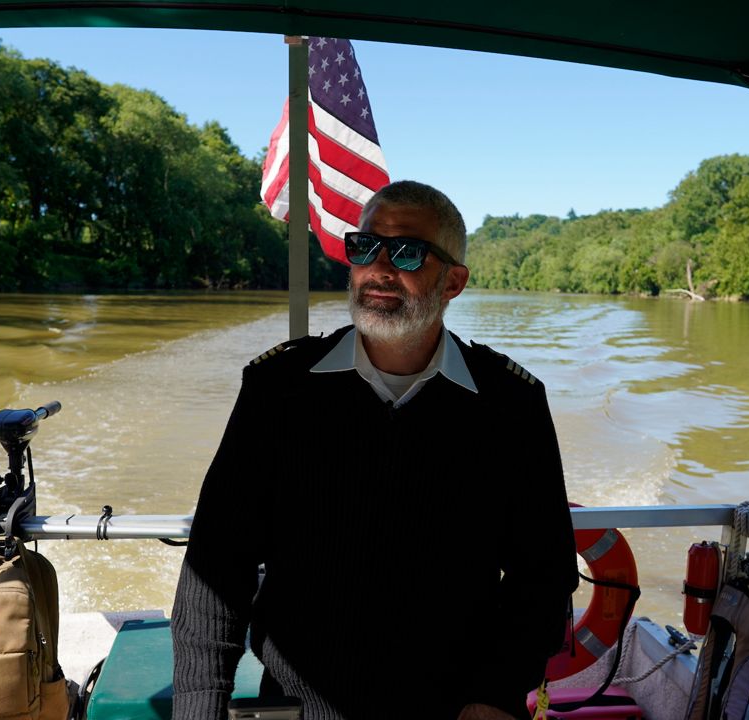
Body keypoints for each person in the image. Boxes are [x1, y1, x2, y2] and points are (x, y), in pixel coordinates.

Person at [172, 181, 578, 720]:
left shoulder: (510, 403)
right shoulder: (278, 389)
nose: (379, 269)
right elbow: (217, 562)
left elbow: (544, 575)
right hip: (297, 706)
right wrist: (200, 705)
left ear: (453, 282)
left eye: (407, 253)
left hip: (454, 710)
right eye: (364, 248)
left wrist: (494, 695)